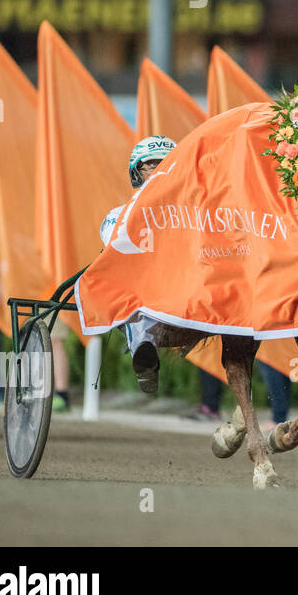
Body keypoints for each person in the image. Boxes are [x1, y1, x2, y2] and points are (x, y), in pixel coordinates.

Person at [100, 135, 177, 398]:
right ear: (137, 173)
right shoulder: (116, 217)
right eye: (152, 165)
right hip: (142, 290)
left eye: (167, 165)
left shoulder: (194, 215)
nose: (160, 172)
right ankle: (144, 351)